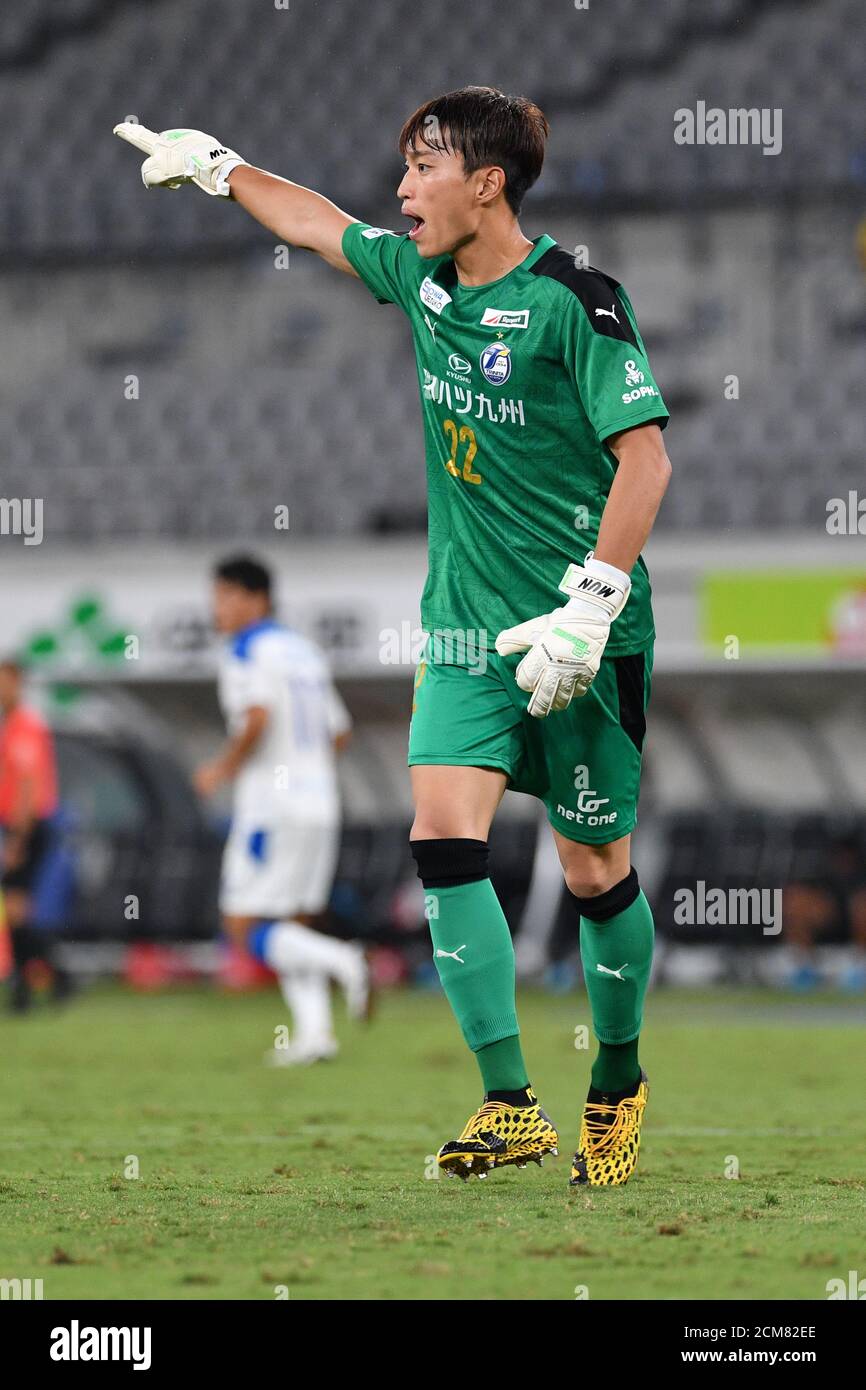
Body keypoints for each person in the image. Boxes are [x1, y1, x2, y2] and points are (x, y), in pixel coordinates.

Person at [116, 85, 672, 1184]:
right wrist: (219, 163)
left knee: (595, 865)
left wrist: (591, 605)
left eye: (425, 166)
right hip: (464, 629)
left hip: (582, 632)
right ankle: (508, 1099)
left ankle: (615, 1078)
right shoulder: (419, 281)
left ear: (488, 182)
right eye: (403, 165)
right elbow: (316, 222)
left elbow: (645, 458)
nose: (403, 186)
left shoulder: (577, 300)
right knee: (439, 833)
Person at [195, 556, 368, 1064]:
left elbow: (257, 716)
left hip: (272, 805)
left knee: (242, 925)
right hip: (319, 802)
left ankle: (345, 958)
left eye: (226, 596)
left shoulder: (246, 649)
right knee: (290, 922)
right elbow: (340, 731)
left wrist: (221, 770)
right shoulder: (304, 651)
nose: (218, 608)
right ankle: (315, 1034)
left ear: (257, 599)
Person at [0, 659, 70, 1012]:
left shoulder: (25, 726)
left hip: (26, 825)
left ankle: (46, 981)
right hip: (18, 825)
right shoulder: (12, 725)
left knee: (15, 910)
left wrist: (17, 839)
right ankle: (47, 981)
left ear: (17, 683)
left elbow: (28, 786)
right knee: (17, 913)